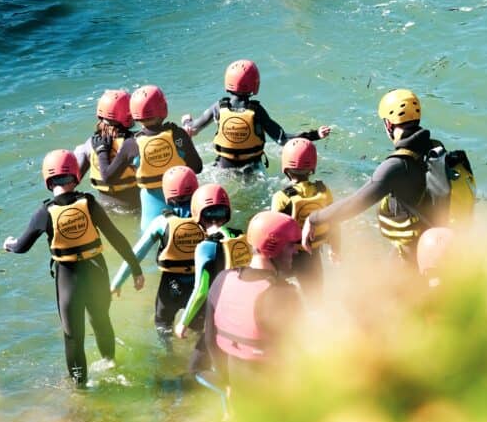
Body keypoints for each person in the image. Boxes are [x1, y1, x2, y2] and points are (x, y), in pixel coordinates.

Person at [3, 149, 144, 387]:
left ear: (48, 180)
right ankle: (110, 363)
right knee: (101, 320)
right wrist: (136, 269)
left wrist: (9, 244)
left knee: (73, 337)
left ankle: (80, 387)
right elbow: (116, 237)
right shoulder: (89, 203)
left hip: (69, 279)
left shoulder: (44, 213)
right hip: (97, 272)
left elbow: (21, 247)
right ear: (76, 176)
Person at [301, 88, 445, 265]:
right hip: (439, 243)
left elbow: (355, 204)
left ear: (388, 124)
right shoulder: (436, 149)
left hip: (414, 254)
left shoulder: (396, 166)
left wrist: (314, 219)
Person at [203, 211, 304, 393]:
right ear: (275, 247)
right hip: (272, 390)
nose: (296, 251)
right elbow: (298, 351)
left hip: (235, 382)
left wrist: (227, 384)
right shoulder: (285, 294)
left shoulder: (223, 279)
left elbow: (210, 339)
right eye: (291, 246)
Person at [181, 59, 331, 172]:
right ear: (255, 84)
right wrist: (315, 134)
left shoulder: (218, 107)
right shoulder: (257, 111)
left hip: (223, 167)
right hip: (252, 169)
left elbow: (192, 129)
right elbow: (283, 139)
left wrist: (187, 121)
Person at [111, 166, 203, 342]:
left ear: (167, 195)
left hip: (170, 287)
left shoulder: (162, 222)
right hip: (197, 287)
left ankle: (168, 356)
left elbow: (136, 253)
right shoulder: (206, 221)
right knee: (198, 332)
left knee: (163, 326)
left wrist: (117, 282)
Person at [174, 183, 252, 371]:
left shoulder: (206, 247)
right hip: (244, 313)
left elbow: (201, 291)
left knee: (196, 370)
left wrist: (183, 323)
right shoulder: (240, 236)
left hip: (220, 318)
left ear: (197, 215)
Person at [271, 137, 338, 298]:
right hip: (312, 255)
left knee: (279, 296)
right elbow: (334, 222)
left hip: (287, 257)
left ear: (285, 168)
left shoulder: (281, 197)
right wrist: (336, 248)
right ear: (312, 168)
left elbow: (272, 233)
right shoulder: (324, 191)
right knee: (316, 298)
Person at [130, 84, 203, 229]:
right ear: (163, 109)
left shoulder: (131, 143)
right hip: (185, 206)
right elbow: (197, 167)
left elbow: (110, 176)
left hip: (151, 216)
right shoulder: (178, 135)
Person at [75, 89, 140, 214]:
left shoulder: (88, 145)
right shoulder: (135, 142)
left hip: (105, 210)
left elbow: (72, 181)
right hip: (135, 208)